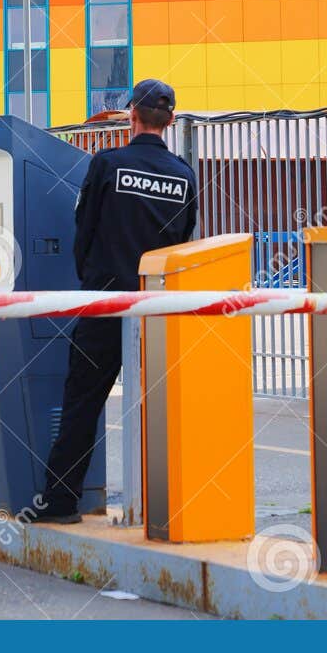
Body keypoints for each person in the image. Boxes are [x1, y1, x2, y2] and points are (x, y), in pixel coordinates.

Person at [33, 79, 198, 524]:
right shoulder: (184, 174)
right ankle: (164, 506)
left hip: (106, 303)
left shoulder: (108, 164)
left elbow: (82, 231)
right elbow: (182, 242)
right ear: (171, 120)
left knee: (83, 402)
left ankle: (61, 502)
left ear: (132, 116)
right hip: (155, 306)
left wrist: (94, 279)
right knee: (158, 406)